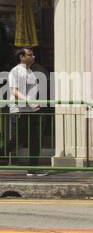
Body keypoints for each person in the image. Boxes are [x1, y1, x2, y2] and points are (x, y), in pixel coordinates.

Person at [7, 47, 45, 175]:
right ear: (22, 57)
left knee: (35, 140)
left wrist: (34, 103)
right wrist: (30, 101)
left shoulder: (29, 71)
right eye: (30, 54)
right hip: (20, 111)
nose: (33, 56)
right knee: (17, 140)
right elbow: (15, 91)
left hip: (31, 111)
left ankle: (33, 169)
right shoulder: (16, 71)